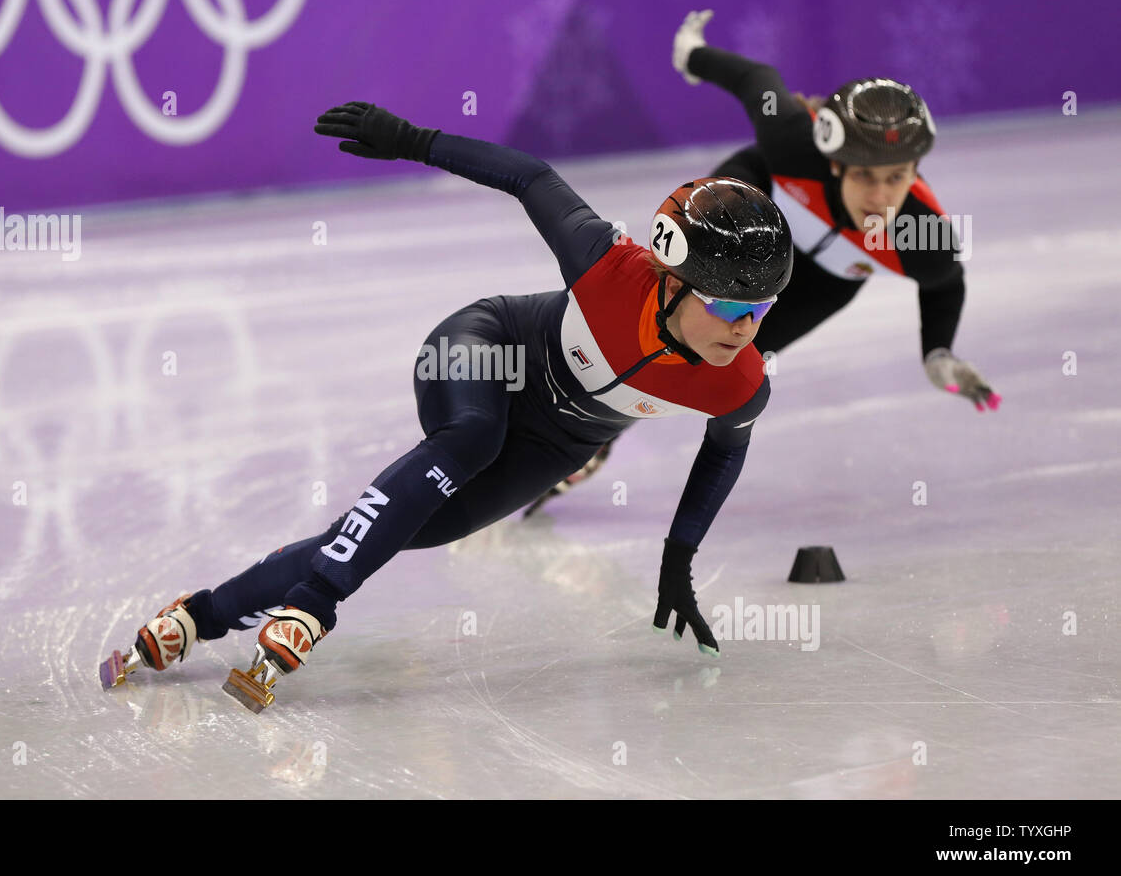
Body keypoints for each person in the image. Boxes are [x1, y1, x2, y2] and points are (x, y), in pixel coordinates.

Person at [100, 102, 794, 707]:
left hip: (557, 444)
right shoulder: (608, 266)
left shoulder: (740, 380)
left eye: (760, 309)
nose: (744, 327)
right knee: (470, 438)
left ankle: (200, 615)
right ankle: (315, 603)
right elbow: (531, 176)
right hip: (488, 349)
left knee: (418, 526)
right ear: (672, 282)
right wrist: (409, 137)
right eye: (729, 304)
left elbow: (723, 454)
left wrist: (678, 560)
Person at [527, 9, 1001, 515]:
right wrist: (693, 56)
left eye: (897, 177)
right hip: (749, 214)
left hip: (828, 282)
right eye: (864, 175)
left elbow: (945, 283)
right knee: (667, 316)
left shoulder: (919, 237)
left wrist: (938, 354)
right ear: (834, 161)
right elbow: (757, 81)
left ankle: (596, 439)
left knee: (710, 355)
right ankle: (557, 371)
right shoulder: (792, 144)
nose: (880, 197)